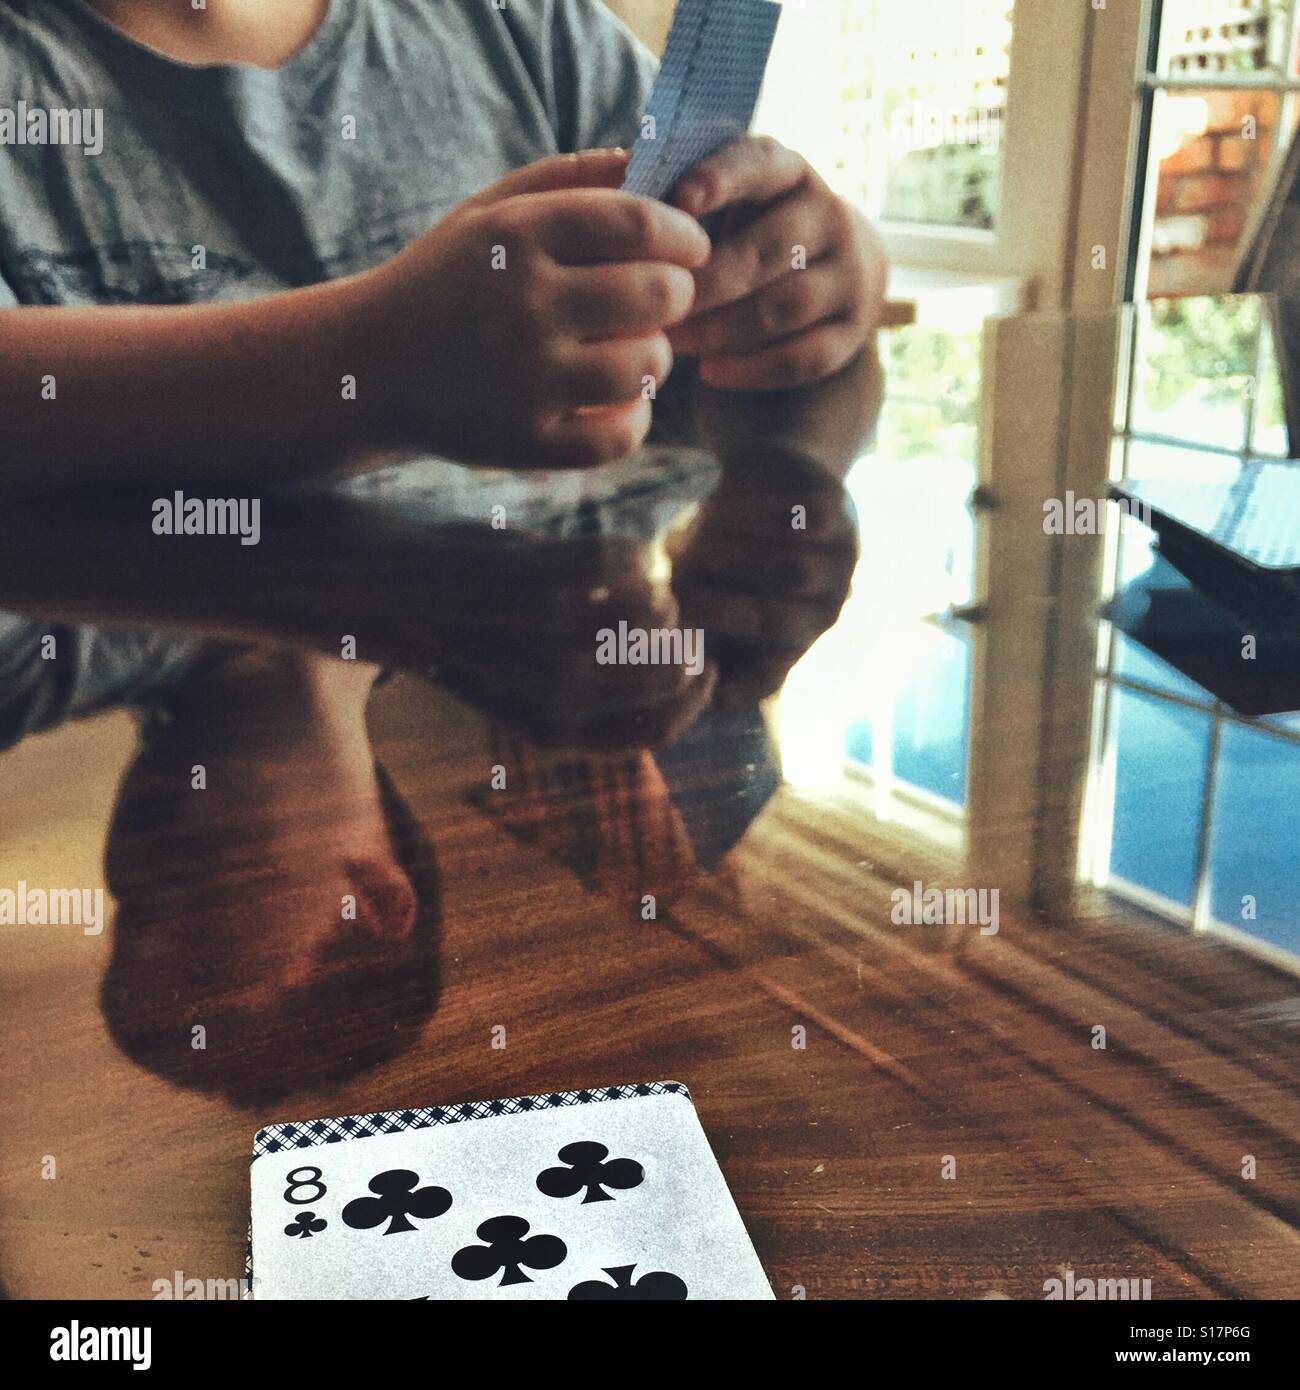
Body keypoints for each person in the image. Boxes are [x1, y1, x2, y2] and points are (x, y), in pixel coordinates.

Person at [0, 0, 883, 954]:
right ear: (375, 898)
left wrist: (818, 280)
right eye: (186, 946)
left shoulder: (523, 29)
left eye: (133, 931)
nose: (121, 885)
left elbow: (735, 280)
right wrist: (366, 367)